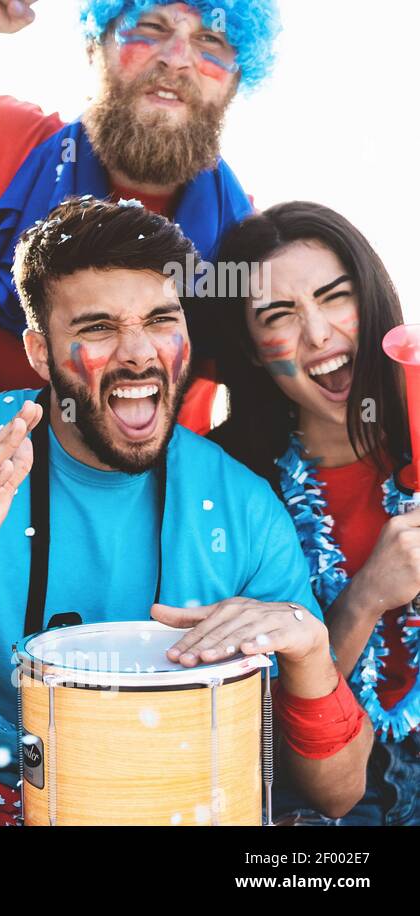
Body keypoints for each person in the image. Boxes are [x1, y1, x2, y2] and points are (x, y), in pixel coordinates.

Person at [0, 197, 371, 825]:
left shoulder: (244, 503)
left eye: (161, 319)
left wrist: (305, 650)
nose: (139, 354)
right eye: (97, 327)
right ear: (38, 352)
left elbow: (340, 792)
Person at [0, 0, 280, 430]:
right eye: (151, 27)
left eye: (211, 42)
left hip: (148, 507)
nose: (176, 58)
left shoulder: (245, 240)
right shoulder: (3, 139)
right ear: (94, 46)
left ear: (238, 79)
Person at [208, 202, 420, 824]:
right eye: (280, 316)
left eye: (335, 298)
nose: (320, 335)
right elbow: (258, 725)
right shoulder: (228, 487)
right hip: (322, 794)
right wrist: (364, 599)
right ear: (250, 352)